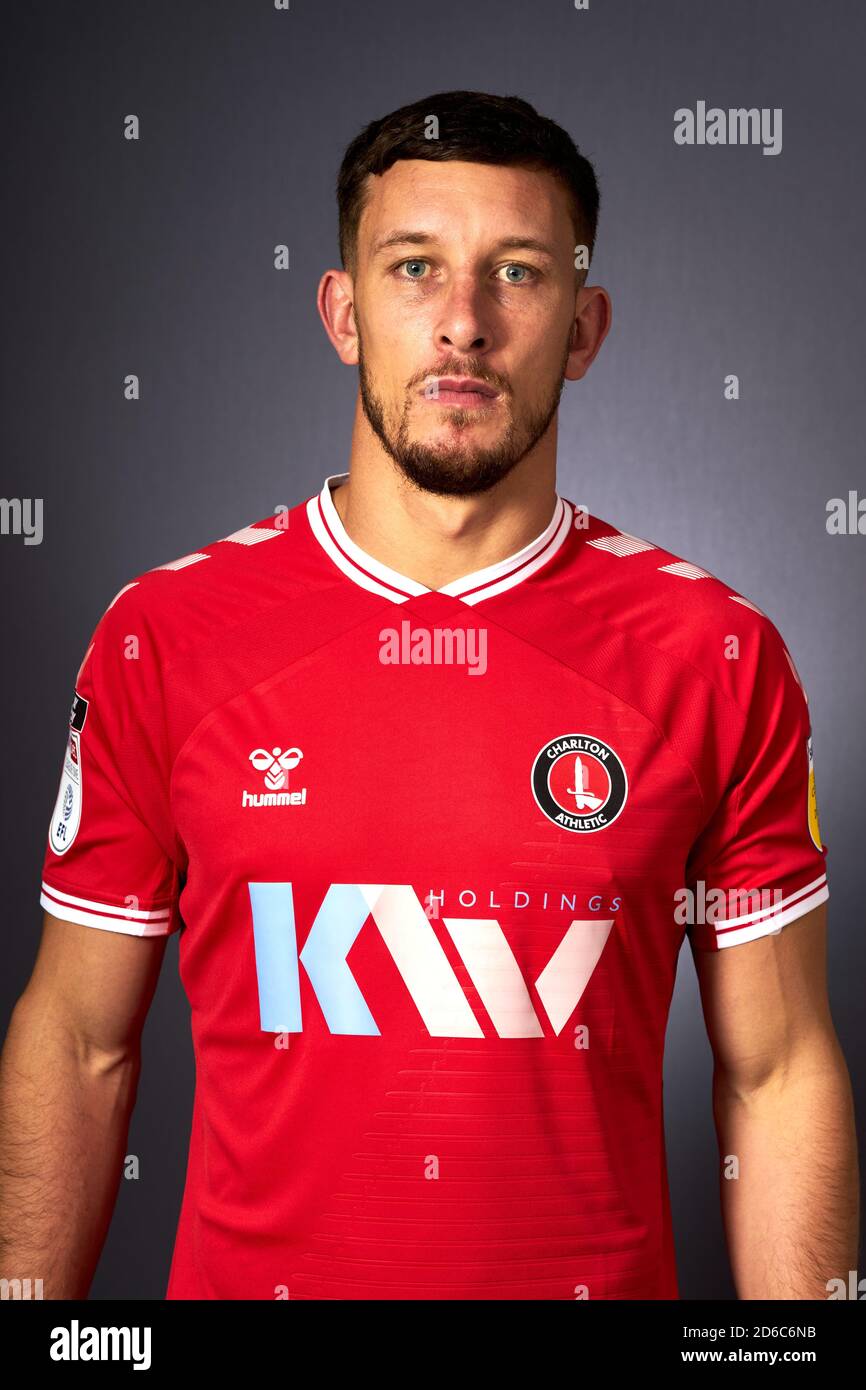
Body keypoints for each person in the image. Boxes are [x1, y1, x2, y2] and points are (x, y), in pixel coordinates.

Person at [0, 90, 857, 1301]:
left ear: (582, 326)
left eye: (516, 273)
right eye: (414, 268)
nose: (462, 323)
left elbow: (776, 1075)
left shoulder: (712, 654)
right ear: (343, 312)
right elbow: (79, 1044)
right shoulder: (164, 638)